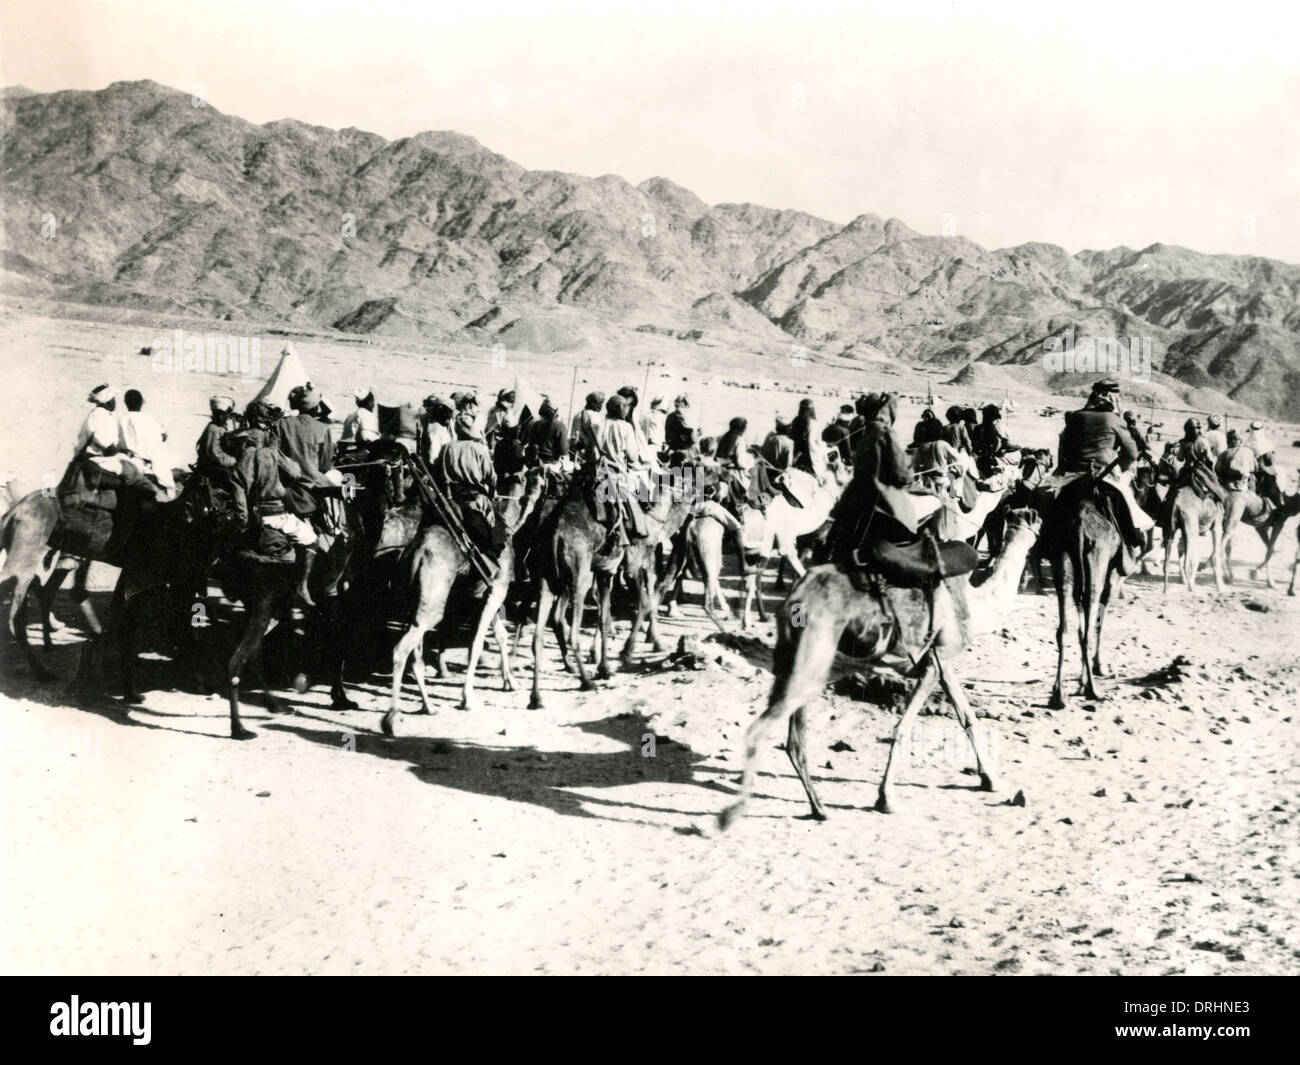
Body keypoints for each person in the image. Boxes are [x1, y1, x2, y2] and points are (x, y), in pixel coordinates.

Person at [1047, 379, 1152, 572]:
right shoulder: (1115, 419)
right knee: (1128, 505)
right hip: (1105, 474)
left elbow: (1064, 447)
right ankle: (1128, 552)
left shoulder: (1076, 417)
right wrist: (1119, 468)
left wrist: (1066, 466)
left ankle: (1041, 545)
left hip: (1073, 473)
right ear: (1110, 397)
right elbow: (1131, 454)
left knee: (1044, 499)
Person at [826, 392, 915, 586]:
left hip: (855, 497)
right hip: (881, 500)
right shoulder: (887, 433)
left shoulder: (864, 430)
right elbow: (901, 475)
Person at [229, 402, 315, 576]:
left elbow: (239, 494)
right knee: (312, 540)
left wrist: (244, 522)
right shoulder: (271, 452)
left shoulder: (241, 457)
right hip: (275, 514)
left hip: (252, 516)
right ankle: (303, 586)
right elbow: (295, 473)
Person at [274, 383, 338, 606]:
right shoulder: (322, 429)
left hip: (283, 486)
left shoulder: (281, 424)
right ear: (316, 407)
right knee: (338, 529)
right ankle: (319, 583)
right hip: (310, 488)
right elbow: (325, 463)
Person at [72, 384, 162, 499]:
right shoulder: (100, 417)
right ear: (108, 402)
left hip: (95, 457)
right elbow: (107, 446)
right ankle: (158, 496)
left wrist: (123, 452)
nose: (114, 402)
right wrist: (123, 455)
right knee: (134, 472)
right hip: (97, 459)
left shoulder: (98, 415)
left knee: (131, 466)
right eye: (113, 399)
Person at [436, 418, 499, 559]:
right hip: (471, 499)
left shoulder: (447, 447)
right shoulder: (480, 449)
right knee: (497, 534)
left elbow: (438, 472)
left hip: (448, 497)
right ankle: (489, 561)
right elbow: (492, 478)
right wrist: (492, 492)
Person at [117, 389, 176, 497]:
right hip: (144, 465)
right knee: (164, 465)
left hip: (126, 463)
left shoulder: (120, 420)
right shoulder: (148, 420)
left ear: (126, 403)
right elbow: (159, 439)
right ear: (140, 403)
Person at [197, 395, 240, 481]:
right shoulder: (214, 429)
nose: (220, 417)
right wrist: (234, 461)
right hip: (212, 469)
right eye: (217, 414)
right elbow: (215, 453)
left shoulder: (220, 427)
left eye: (223, 414)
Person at [526, 396, 570, 470]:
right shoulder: (560, 426)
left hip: (536, 461)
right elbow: (563, 451)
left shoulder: (536, 424)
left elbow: (531, 444)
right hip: (552, 463)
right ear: (556, 411)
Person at [571, 391, 606, 466]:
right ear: (593, 403)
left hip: (580, 456)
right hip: (596, 456)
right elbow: (597, 435)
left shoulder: (577, 416)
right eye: (599, 403)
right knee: (601, 476)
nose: (601, 406)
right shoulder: (595, 416)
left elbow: (573, 438)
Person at [418, 395, 454, 467]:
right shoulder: (435, 429)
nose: (449, 417)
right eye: (447, 413)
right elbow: (433, 456)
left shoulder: (441, 426)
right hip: (438, 467)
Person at [791, 398, 818, 474]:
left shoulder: (796, 419)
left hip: (795, 451)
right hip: (807, 455)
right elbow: (811, 443)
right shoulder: (813, 423)